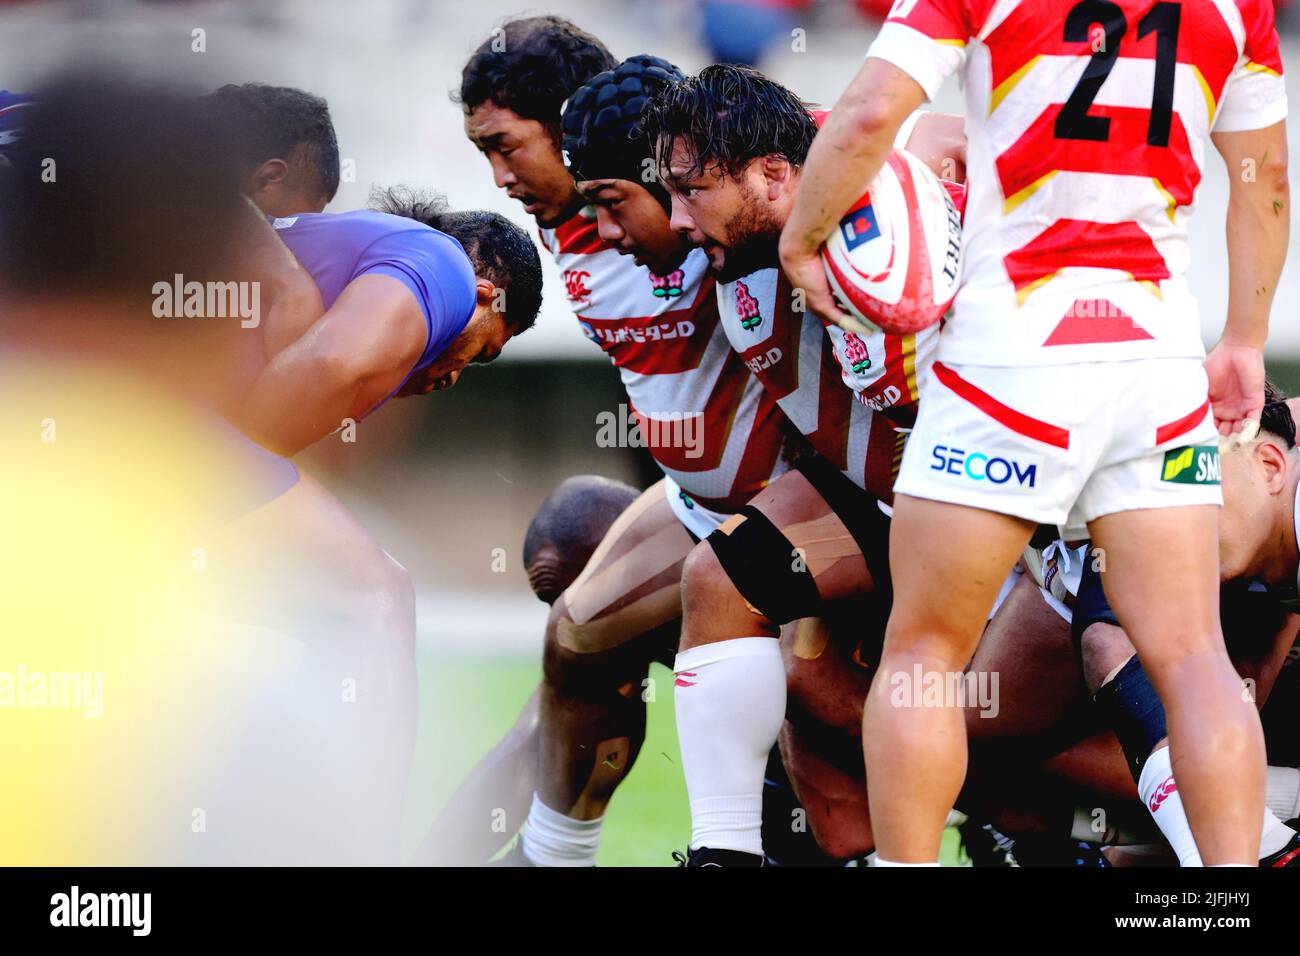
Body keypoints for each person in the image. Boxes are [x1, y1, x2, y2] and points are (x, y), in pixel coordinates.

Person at [779, 0, 1289, 865]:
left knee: (923, 653)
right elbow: (1266, 176)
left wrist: (804, 234)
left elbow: (869, 114)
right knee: (1194, 655)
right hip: (1154, 357)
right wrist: (1243, 338)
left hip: (1011, 351)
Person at [0, 72, 414, 863]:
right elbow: (288, 300)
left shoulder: (51, 133)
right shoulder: (167, 176)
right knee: (369, 590)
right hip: (122, 408)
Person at [458, 21, 789, 866]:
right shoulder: (564, 222)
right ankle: (550, 854)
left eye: (508, 147)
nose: (501, 178)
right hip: (697, 504)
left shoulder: (716, 200)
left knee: (825, 726)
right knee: (572, 609)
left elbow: (809, 146)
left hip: (803, 510)